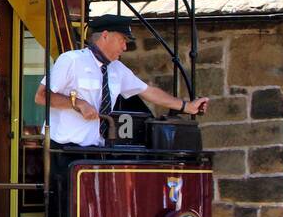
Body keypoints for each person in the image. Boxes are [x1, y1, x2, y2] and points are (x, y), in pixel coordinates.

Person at [35, 13, 208, 148]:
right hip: (64, 150)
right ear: (105, 36)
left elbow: (149, 92)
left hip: (98, 149)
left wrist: (187, 106)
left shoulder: (117, 69)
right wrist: (78, 103)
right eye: (122, 39)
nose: (125, 47)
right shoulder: (71, 60)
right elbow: (41, 96)